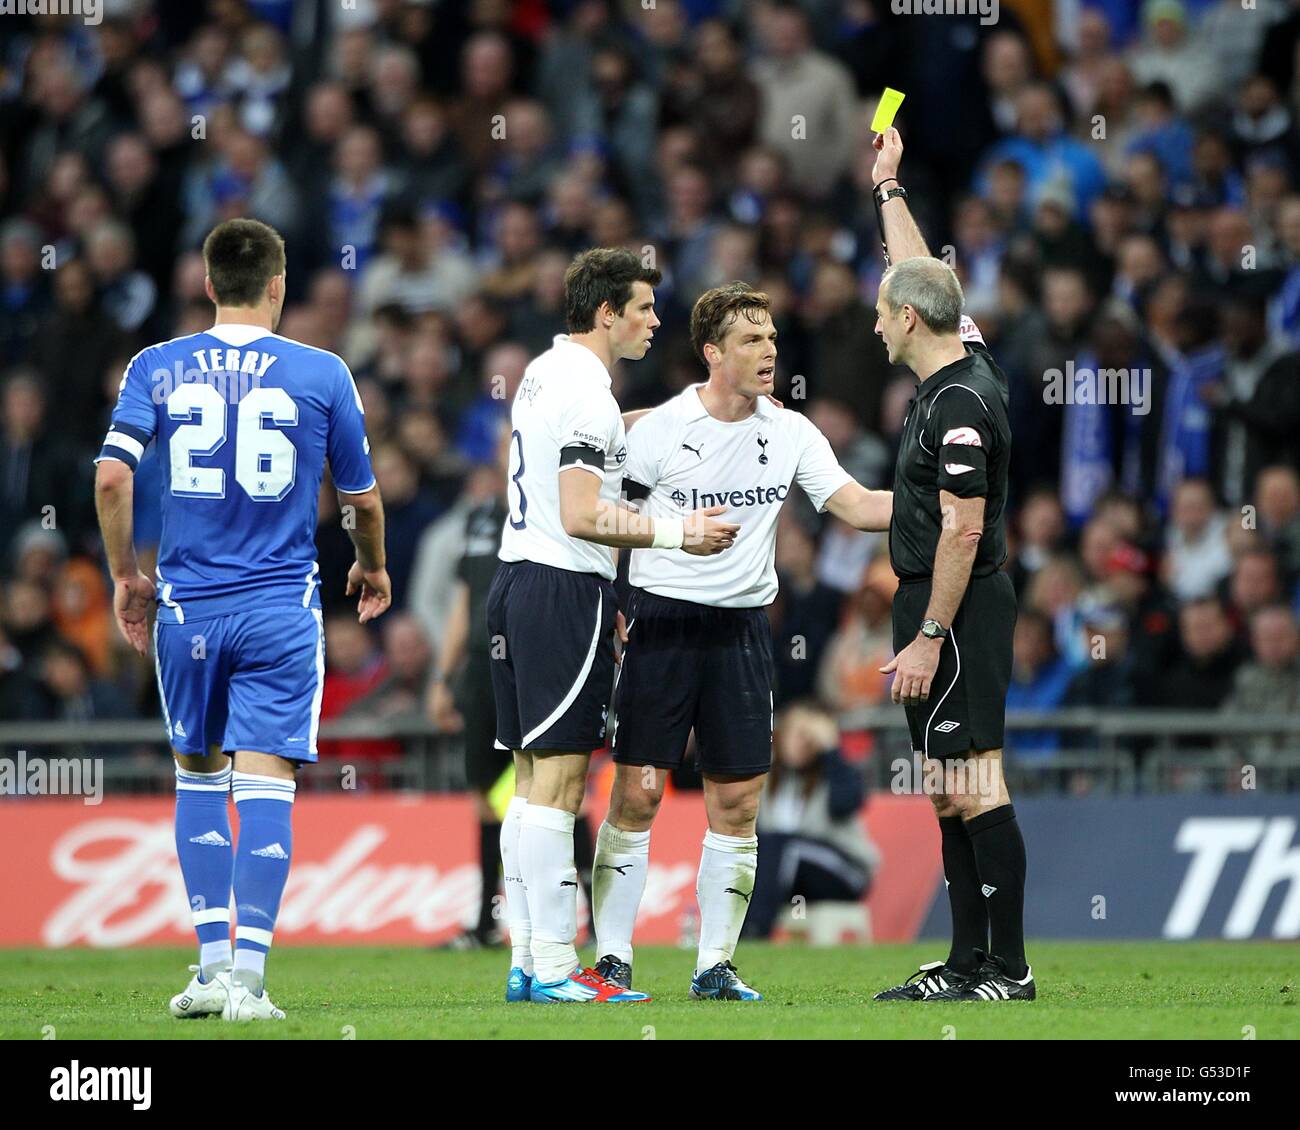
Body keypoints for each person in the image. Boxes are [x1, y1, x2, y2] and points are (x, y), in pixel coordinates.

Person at [93, 218, 390, 1021]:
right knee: (267, 784)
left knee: (198, 774)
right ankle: (249, 985)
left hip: (185, 610)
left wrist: (126, 574)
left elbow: (114, 478)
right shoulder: (321, 372)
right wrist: (371, 564)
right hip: (277, 609)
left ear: (205, 280)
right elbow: (361, 499)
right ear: (279, 284)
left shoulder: (157, 366)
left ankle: (211, 969)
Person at [589, 281, 892, 1000]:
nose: (769, 352)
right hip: (660, 624)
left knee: (739, 803)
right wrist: (614, 606)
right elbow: (606, 523)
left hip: (742, 635)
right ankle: (611, 959)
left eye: (773, 339)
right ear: (712, 353)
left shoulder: (789, 431)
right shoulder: (659, 431)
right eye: (752, 340)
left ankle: (714, 964)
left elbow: (852, 504)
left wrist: (936, 501)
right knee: (636, 793)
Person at [487, 247, 737, 1004]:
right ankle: (562, 970)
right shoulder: (588, 395)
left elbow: (586, 451)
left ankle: (529, 961)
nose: (656, 322)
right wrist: (679, 533)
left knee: (530, 784)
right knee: (560, 784)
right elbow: (582, 511)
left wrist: (670, 416)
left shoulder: (543, 372)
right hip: (564, 590)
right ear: (607, 314)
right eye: (644, 309)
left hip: (515, 581)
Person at [867, 128, 1034, 1003]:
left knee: (975, 782)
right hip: (932, 603)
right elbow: (925, 273)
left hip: (958, 607)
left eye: (883, 308)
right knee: (945, 791)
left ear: (909, 322)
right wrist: (888, 186)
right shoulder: (958, 358)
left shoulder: (960, 405)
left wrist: (932, 633)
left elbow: (965, 534)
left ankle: (1008, 968)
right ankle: (966, 962)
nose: (876, 318)